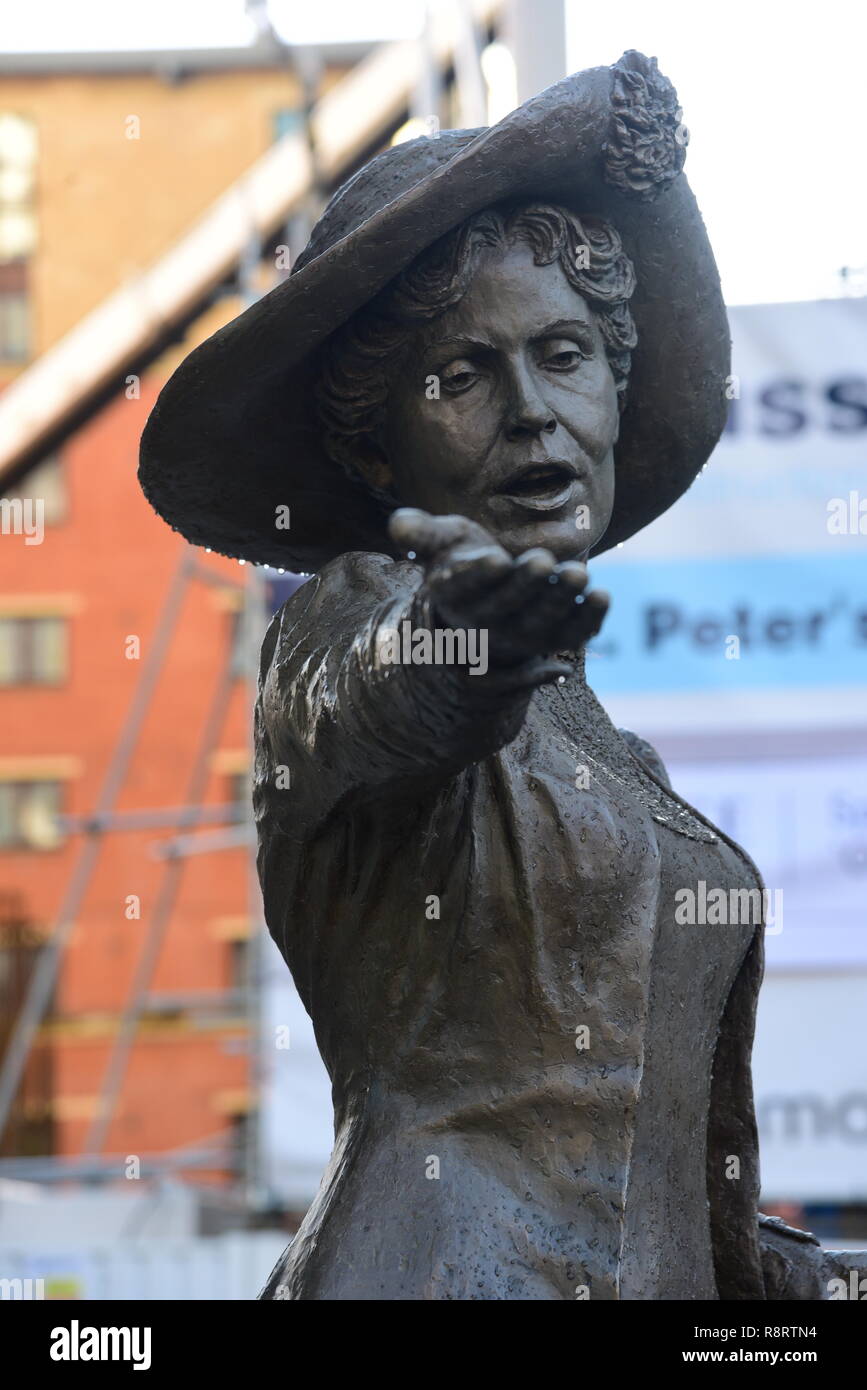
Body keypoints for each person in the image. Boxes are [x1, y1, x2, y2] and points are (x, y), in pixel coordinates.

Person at [139, 52, 842, 1299]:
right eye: (460, 378)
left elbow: (655, 1152)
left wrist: (797, 1282)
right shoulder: (353, 619)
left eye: (564, 354)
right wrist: (463, 645)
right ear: (375, 443)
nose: (531, 412)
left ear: (614, 387)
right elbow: (372, 696)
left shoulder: (620, 762)